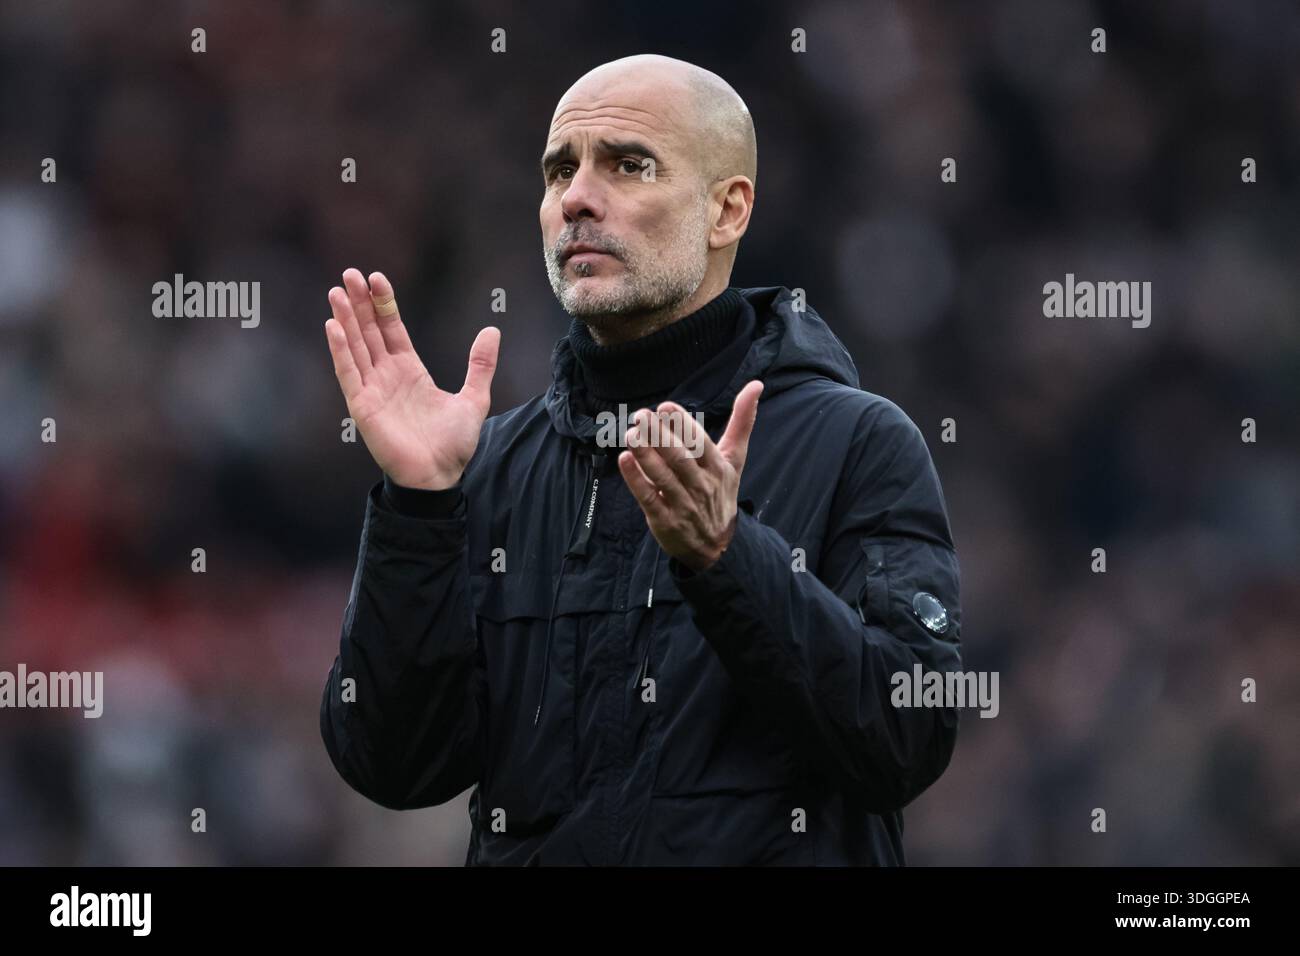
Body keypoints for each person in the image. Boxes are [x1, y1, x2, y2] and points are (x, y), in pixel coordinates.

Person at [319, 53, 963, 865]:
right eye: (560, 171)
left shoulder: (859, 443)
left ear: (726, 210)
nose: (578, 197)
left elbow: (906, 737)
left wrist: (728, 561)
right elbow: (395, 765)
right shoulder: (487, 467)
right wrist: (417, 507)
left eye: (629, 165)